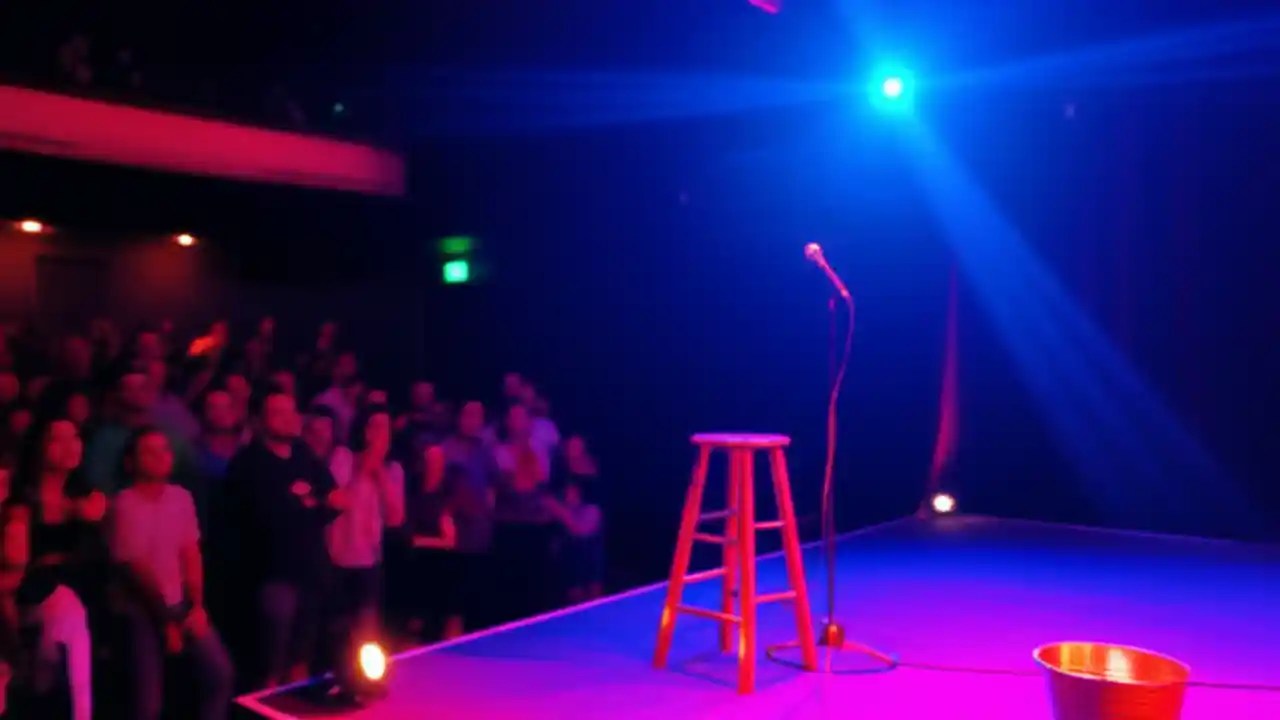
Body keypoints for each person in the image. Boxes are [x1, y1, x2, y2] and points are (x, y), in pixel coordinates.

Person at [110, 427, 233, 720]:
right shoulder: (124, 504)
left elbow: (190, 553)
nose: (160, 457)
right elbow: (137, 571)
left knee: (220, 674)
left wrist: (197, 606)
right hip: (139, 607)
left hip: (179, 602)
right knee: (148, 705)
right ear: (130, 462)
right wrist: (168, 622)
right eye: (149, 452)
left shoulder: (181, 498)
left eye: (164, 450)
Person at [225, 391, 344, 687]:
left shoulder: (304, 453)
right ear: (259, 420)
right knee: (270, 666)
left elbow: (339, 499)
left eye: (292, 411)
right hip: (271, 575)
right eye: (279, 413)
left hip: (310, 572)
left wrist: (308, 506)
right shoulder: (248, 463)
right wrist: (313, 505)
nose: (290, 419)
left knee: (302, 661)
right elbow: (269, 519)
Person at [14, 418, 102, 720]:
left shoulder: (89, 499)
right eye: (57, 439)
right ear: (39, 446)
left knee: (72, 612)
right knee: (65, 610)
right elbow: (22, 565)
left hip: (83, 594)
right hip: (32, 594)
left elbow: (96, 562)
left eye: (74, 437)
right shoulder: (21, 500)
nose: (69, 446)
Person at [324, 407, 403, 688]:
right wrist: (362, 468)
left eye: (386, 428)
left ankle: (365, 681)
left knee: (367, 627)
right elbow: (338, 499)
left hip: (369, 560)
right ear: (364, 430)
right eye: (375, 427)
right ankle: (339, 681)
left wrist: (378, 472)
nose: (381, 434)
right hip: (337, 558)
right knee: (337, 627)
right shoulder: (343, 457)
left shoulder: (393, 469)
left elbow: (396, 517)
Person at [420, 401, 498, 636]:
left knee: (474, 596)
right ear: (459, 418)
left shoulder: (486, 451)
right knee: (451, 597)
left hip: (479, 533)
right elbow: (435, 488)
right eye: (467, 415)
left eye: (477, 416)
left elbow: (492, 485)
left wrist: (487, 512)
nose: (471, 420)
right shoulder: (446, 448)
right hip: (453, 535)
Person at [492, 404, 555, 621]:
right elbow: (515, 485)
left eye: (521, 417)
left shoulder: (540, 452)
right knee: (507, 590)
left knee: (533, 591)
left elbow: (537, 483)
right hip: (507, 527)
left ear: (529, 422)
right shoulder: (499, 452)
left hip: (534, 528)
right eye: (513, 417)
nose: (517, 422)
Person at [544, 481, 604, 603]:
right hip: (570, 562)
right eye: (566, 491)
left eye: (573, 491)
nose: (568, 494)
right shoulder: (557, 512)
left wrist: (557, 508)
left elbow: (581, 530)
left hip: (590, 560)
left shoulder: (591, 509)